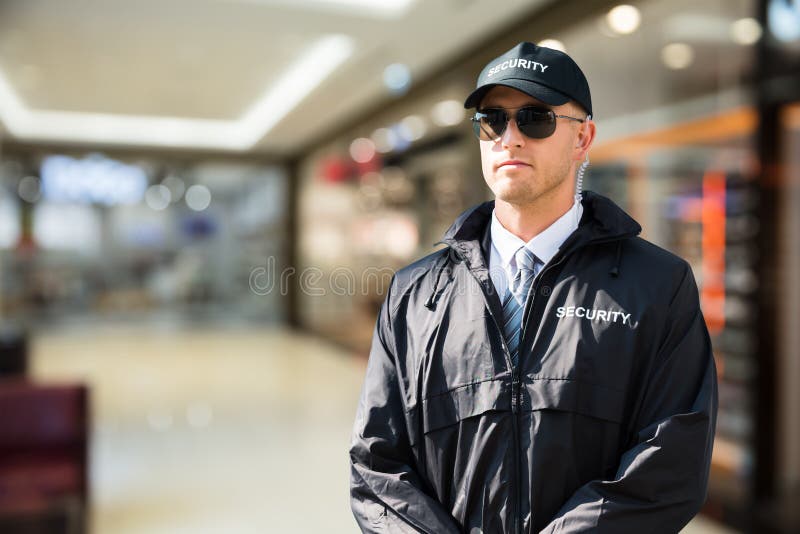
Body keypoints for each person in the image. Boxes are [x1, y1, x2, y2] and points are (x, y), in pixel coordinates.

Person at [349, 41, 717, 533]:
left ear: (583, 138)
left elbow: (670, 463)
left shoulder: (657, 285)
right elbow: (377, 468)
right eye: (492, 119)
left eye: (535, 118)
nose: (509, 137)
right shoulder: (414, 293)